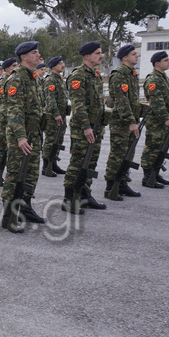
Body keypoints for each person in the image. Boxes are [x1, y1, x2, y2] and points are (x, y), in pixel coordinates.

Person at [0, 41, 47, 231]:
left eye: (38, 52)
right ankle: (7, 214)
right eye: (34, 53)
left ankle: (25, 206)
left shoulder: (34, 78)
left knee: (32, 173)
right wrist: (20, 137)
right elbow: (14, 110)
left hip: (33, 134)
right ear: (23, 57)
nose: (38, 55)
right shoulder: (16, 79)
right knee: (15, 174)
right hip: (21, 136)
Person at [62, 41, 107, 214]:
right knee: (78, 162)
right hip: (83, 127)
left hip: (95, 125)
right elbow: (78, 104)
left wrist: (100, 124)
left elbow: (98, 103)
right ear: (87, 56)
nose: (100, 56)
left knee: (91, 161)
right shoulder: (78, 76)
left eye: (100, 53)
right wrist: (86, 127)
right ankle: (68, 198)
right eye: (97, 53)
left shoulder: (94, 75)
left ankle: (84, 194)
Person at [104, 44, 143, 199]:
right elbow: (121, 101)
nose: (137, 56)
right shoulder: (119, 75)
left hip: (131, 120)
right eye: (134, 54)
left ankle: (122, 184)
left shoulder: (131, 74)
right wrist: (130, 121)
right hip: (121, 122)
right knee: (117, 155)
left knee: (128, 153)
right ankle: (110, 187)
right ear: (125, 57)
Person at [140, 51, 169, 188]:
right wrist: (166, 118)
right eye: (166, 60)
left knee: (161, 148)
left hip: (164, 120)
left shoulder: (164, 78)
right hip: (156, 120)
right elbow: (156, 102)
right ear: (157, 63)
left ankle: (155, 174)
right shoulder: (153, 79)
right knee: (152, 147)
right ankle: (147, 177)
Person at [0, 57, 18, 185]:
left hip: (13, 120)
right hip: (4, 120)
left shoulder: (16, 81)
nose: (16, 68)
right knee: (1, 148)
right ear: (6, 69)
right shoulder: (3, 83)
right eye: (13, 66)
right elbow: (4, 102)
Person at [41, 56, 69, 176]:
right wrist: (56, 114)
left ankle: (54, 164)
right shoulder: (50, 80)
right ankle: (46, 166)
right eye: (60, 64)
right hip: (53, 116)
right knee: (50, 140)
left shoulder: (59, 80)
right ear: (53, 67)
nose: (63, 65)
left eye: (63, 63)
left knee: (58, 140)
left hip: (61, 115)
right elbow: (50, 99)